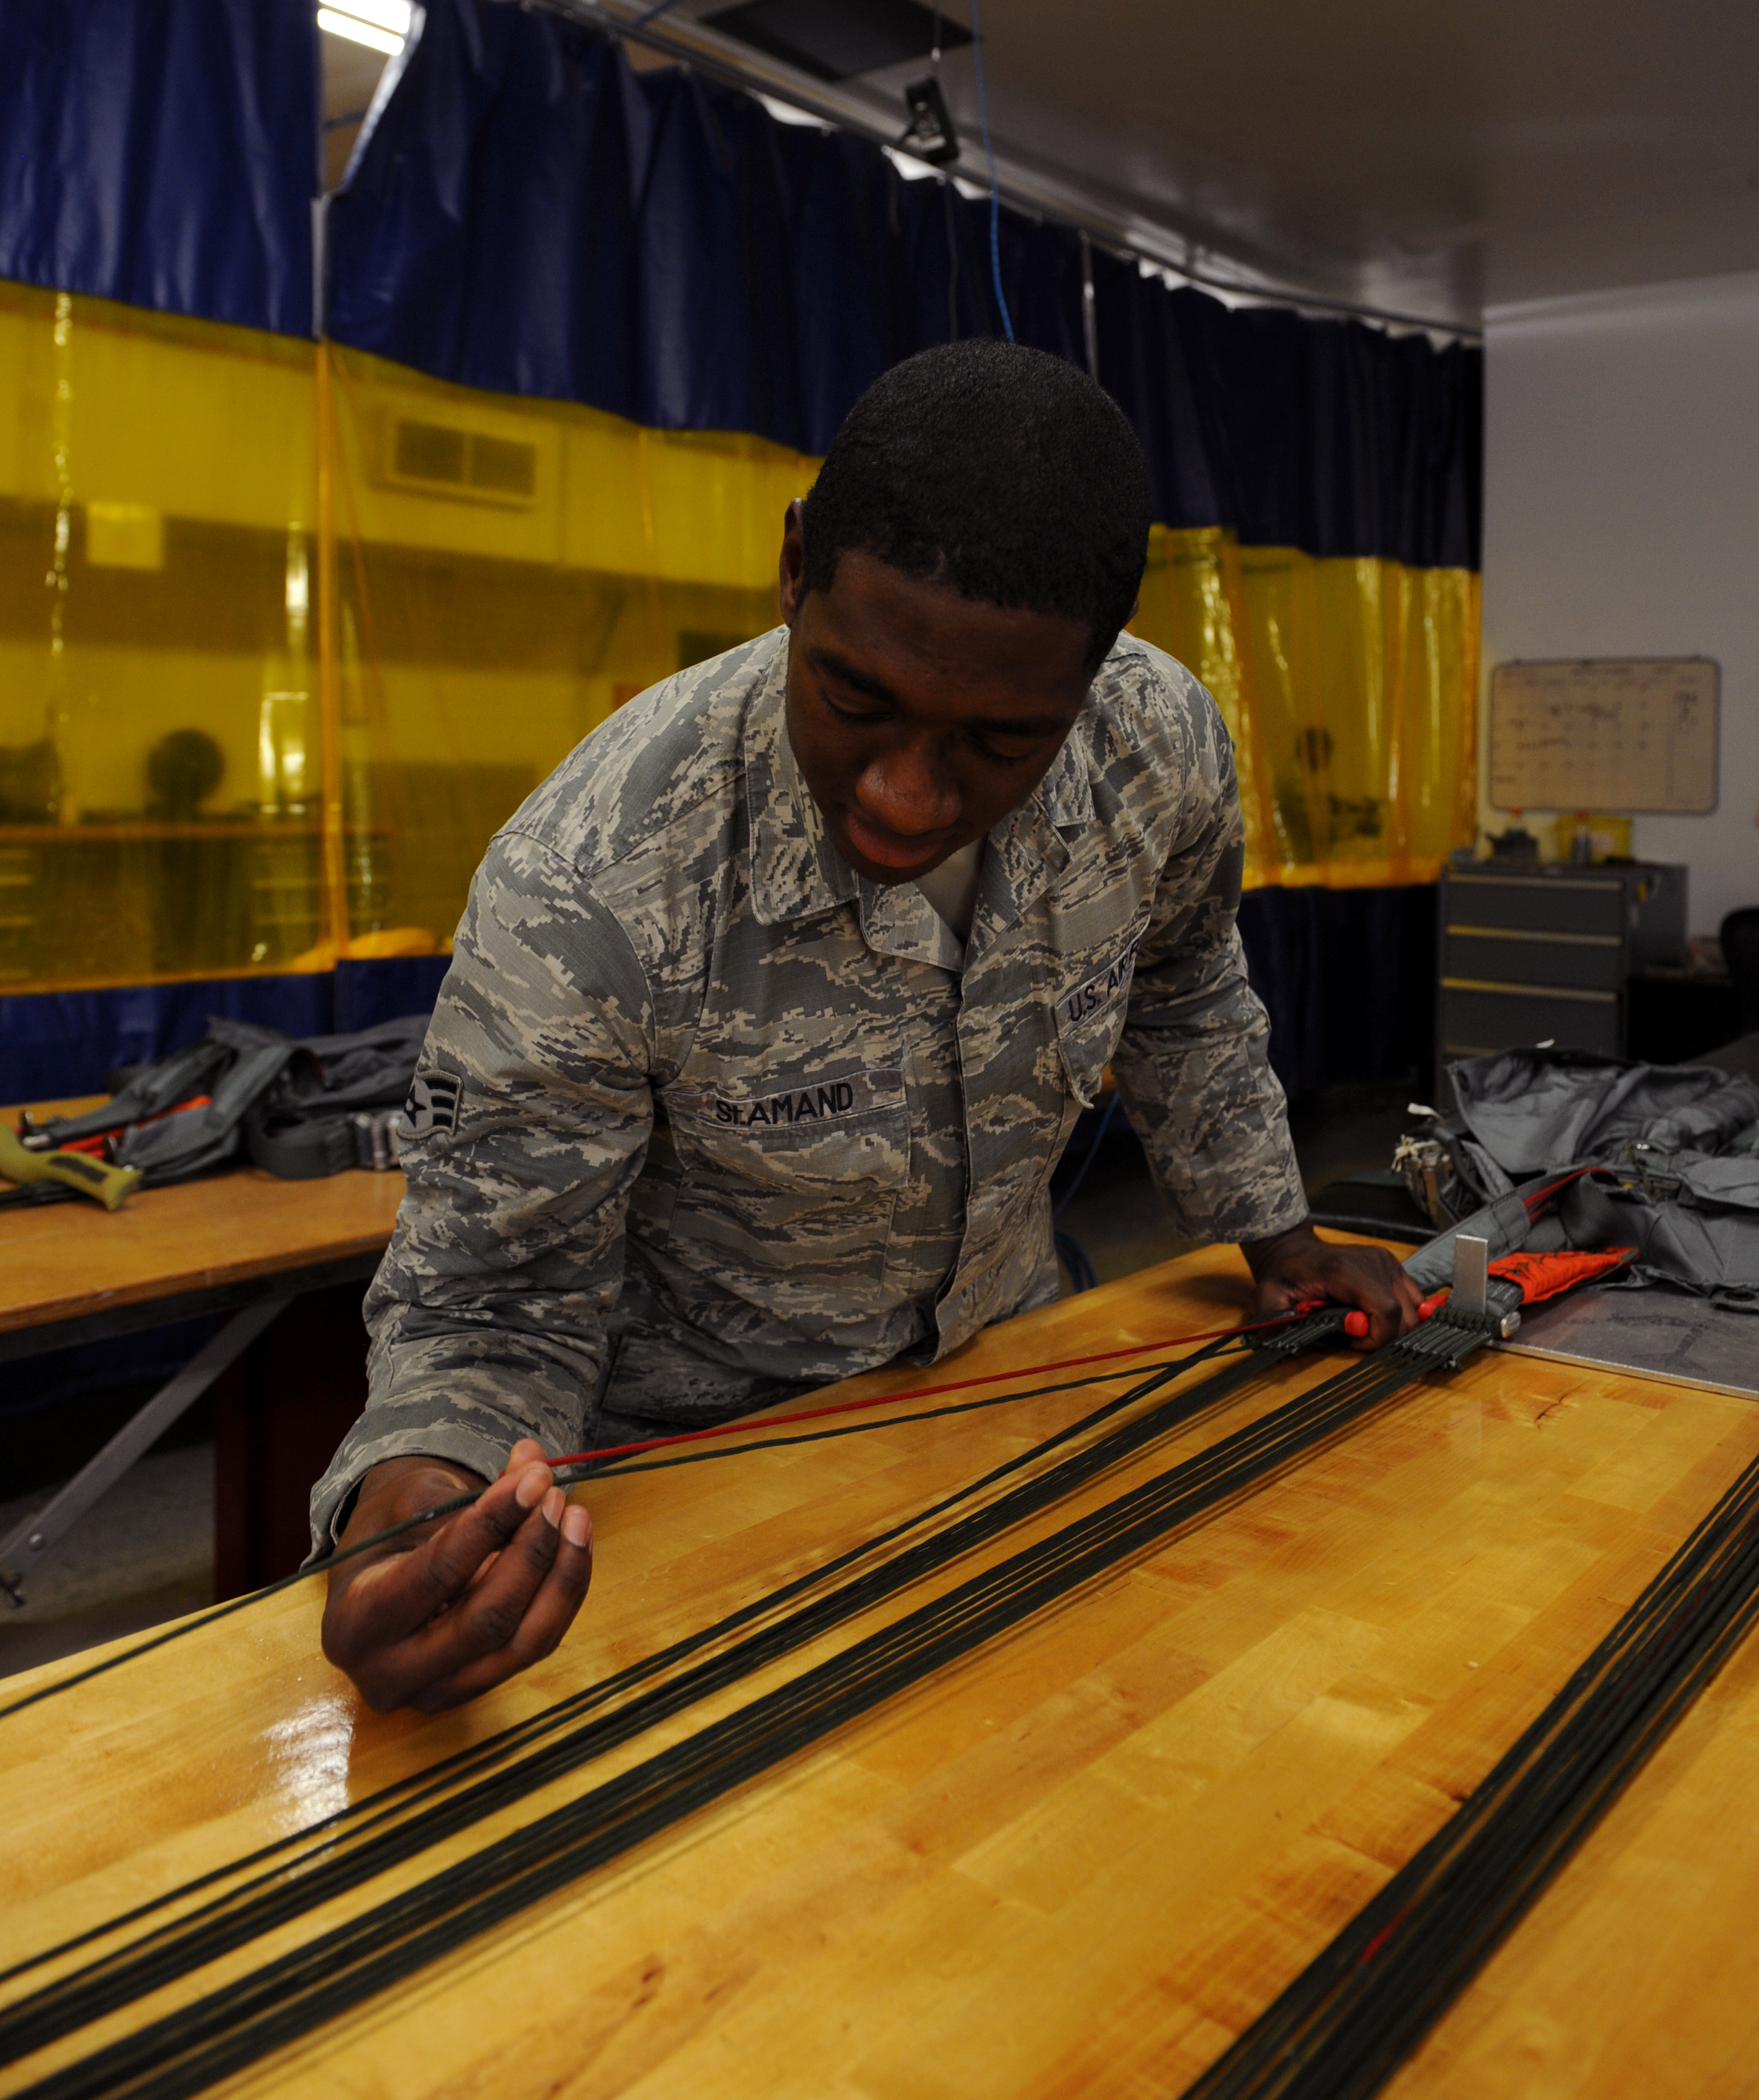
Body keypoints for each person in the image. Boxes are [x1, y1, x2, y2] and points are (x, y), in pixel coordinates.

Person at [314, 340, 1420, 1712]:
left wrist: (1279, 1230)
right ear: (793, 568)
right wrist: (420, 1511)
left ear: (1090, 681)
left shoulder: (1160, 747)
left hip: (1007, 1389)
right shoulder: (595, 875)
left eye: (998, 742)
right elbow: (489, 1299)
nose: (904, 791)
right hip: (694, 1482)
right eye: (855, 698)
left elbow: (1186, 985)